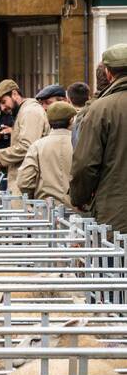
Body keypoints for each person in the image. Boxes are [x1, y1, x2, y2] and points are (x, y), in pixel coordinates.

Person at [71, 44, 127, 233]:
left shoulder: (100, 109)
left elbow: (85, 163)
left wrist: (79, 197)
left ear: (109, 73)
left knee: (115, 260)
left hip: (116, 214)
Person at [0, 79, 50, 194]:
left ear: (14, 94)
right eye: (0, 104)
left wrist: (0, 155)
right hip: (24, 182)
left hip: (28, 186)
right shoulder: (24, 111)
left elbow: (28, 146)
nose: (2, 108)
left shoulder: (30, 111)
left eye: (3, 101)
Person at [17, 101, 75, 208]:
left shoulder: (37, 146)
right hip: (78, 212)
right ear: (71, 120)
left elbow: (24, 181)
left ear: (48, 121)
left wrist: (31, 201)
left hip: (46, 210)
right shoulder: (80, 144)